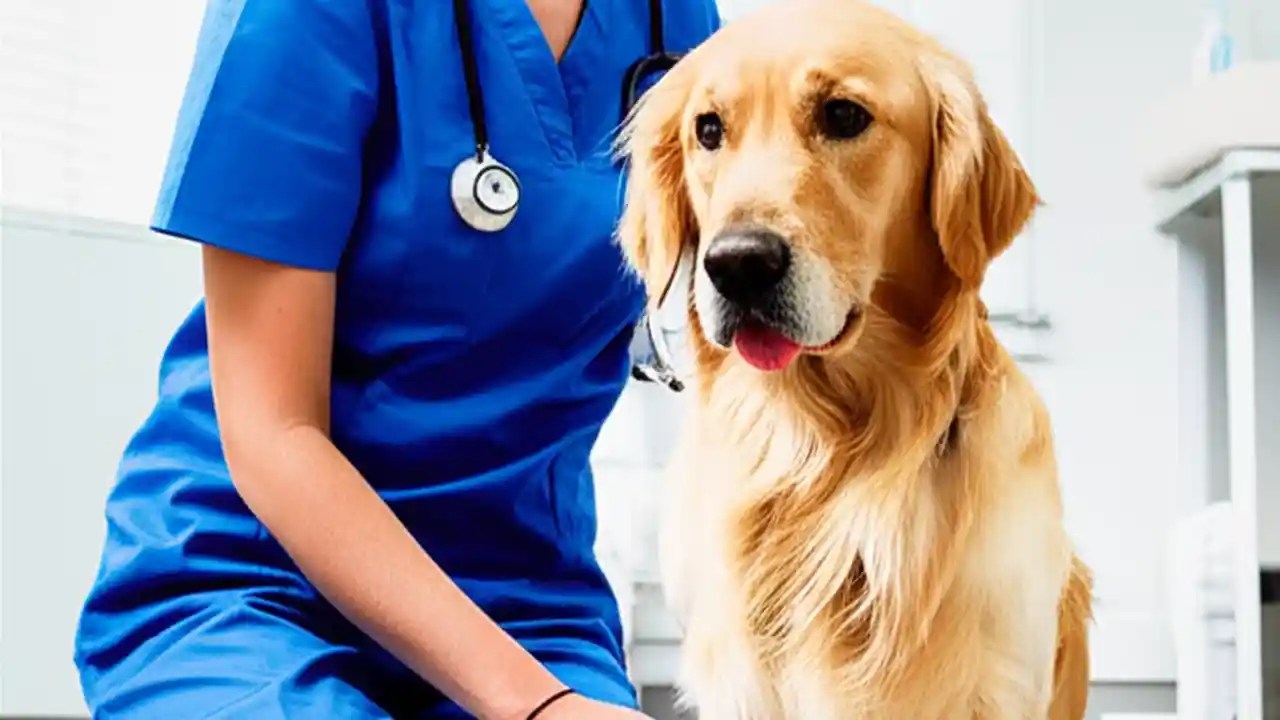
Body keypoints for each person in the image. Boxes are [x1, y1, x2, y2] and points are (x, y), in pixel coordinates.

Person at [72, 0, 720, 717]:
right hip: (254, 588)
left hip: (525, 606)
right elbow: (271, 433)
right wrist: (538, 705)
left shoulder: (677, 20)